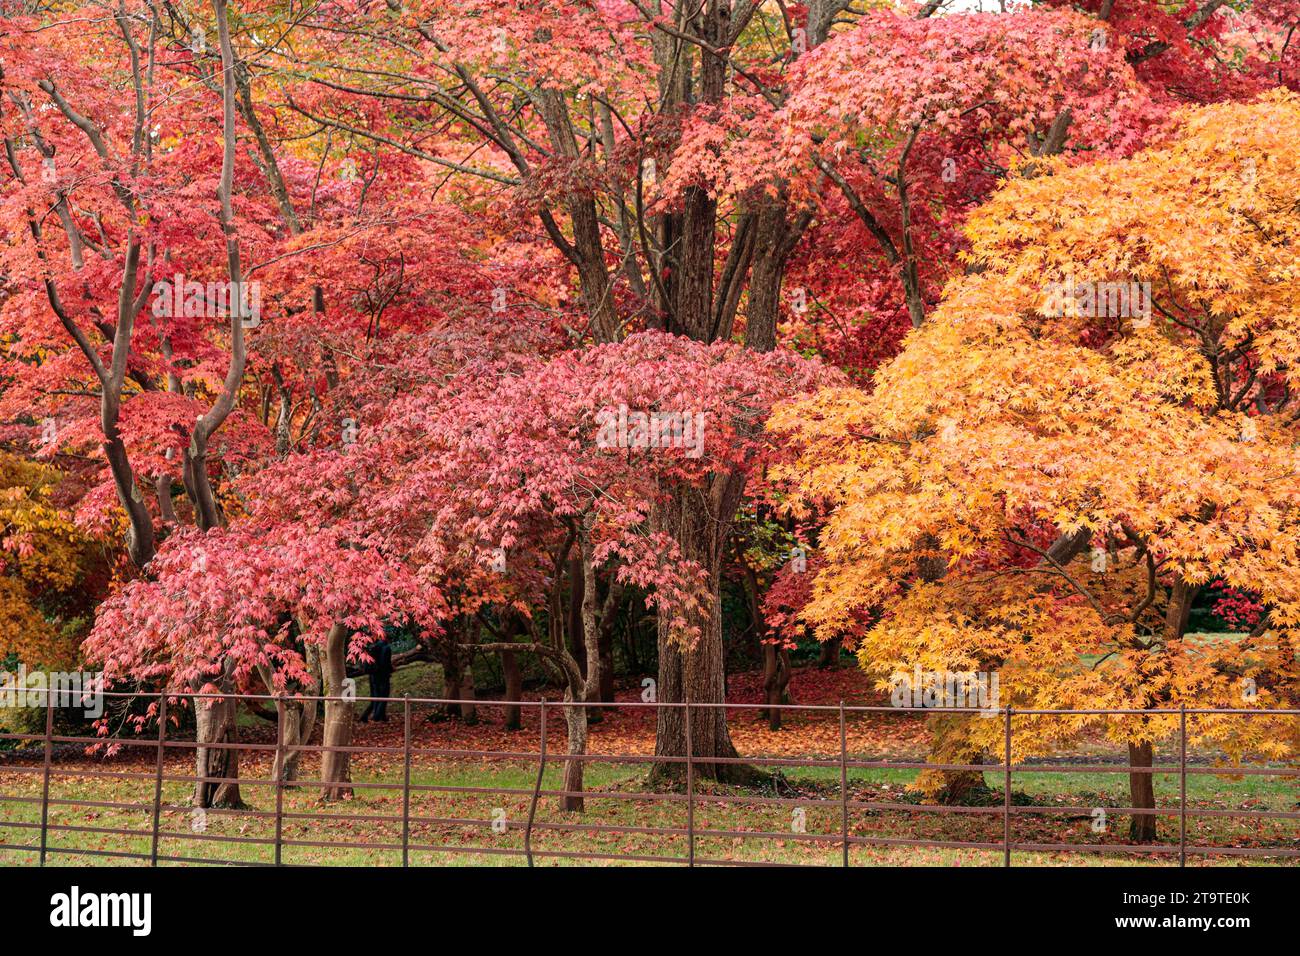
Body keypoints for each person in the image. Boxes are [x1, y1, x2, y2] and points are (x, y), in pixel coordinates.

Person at [359, 637, 393, 722]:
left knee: (375, 697)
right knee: (384, 696)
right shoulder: (386, 648)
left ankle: (373, 716)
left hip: (373, 675)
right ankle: (377, 717)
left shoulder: (373, 647)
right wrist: (391, 669)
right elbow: (385, 663)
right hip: (383, 675)